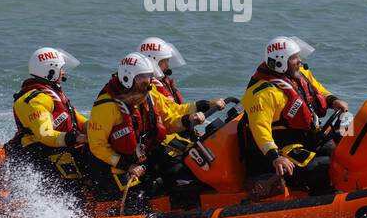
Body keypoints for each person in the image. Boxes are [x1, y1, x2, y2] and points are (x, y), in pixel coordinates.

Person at [238, 37, 348, 200]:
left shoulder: (300, 74)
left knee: (342, 147)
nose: (299, 60)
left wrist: (334, 101)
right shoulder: (262, 94)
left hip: (306, 136)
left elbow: (319, 90)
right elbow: (259, 129)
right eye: (294, 57)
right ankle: (321, 200)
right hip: (281, 148)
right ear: (281, 62)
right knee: (322, 165)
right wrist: (276, 158)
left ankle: (351, 185)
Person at [86, 53, 193, 214]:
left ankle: (186, 210)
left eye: (149, 76)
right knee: (137, 203)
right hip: (112, 167)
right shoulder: (107, 106)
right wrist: (128, 166)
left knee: (176, 170)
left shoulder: (148, 95)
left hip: (138, 159)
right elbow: (97, 146)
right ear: (129, 78)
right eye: (142, 77)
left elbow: (170, 116)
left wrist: (199, 111)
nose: (148, 81)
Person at [7, 47, 89, 198]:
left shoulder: (54, 95)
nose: (63, 72)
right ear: (51, 71)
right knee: (74, 189)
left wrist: (102, 128)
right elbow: (45, 134)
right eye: (61, 68)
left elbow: (79, 121)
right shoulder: (36, 100)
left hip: (59, 150)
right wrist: (76, 138)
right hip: (38, 154)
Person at [137, 37, 226, 118]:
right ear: (152, 61)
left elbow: (176, 110)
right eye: (165, 61)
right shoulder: (149, 90)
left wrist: (206, 105)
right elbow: (172, 114)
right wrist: (205, 105)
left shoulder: (162, 84)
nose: (168, 65)